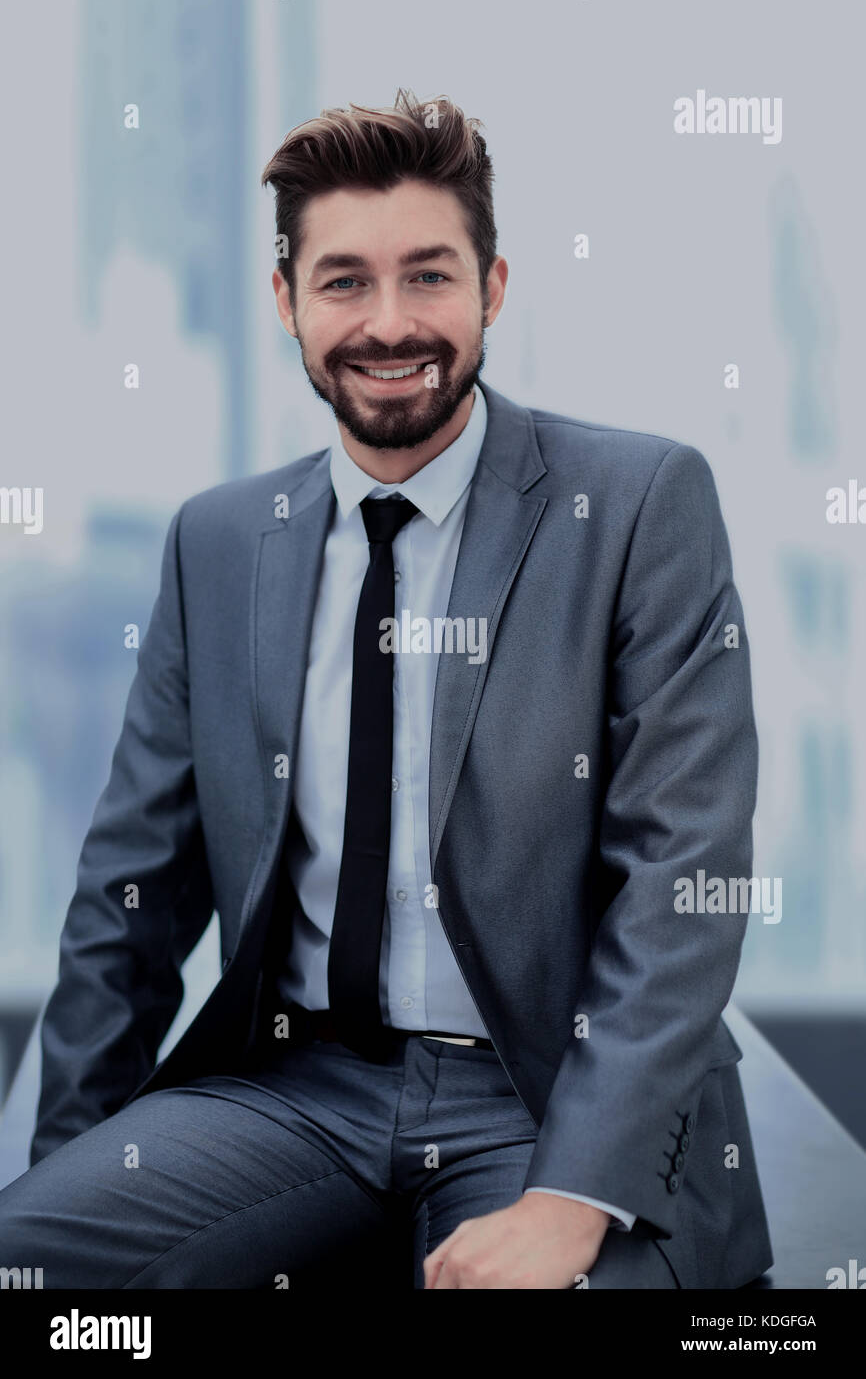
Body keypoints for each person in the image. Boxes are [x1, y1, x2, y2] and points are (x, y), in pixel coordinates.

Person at [0, 88, 772, 1289]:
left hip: (540, 1093)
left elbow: (683, 885)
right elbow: (129, 895)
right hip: (293, 1089)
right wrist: (67, 1173)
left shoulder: (636, 504)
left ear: (493, 288)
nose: (388, 321)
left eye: (428, 275)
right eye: (345, 281)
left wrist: (573, 1194)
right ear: (287, 303)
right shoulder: (217, 542)